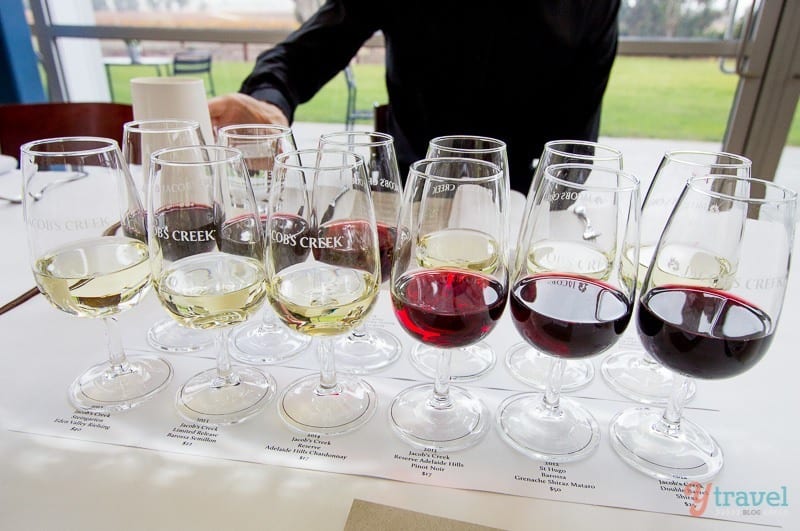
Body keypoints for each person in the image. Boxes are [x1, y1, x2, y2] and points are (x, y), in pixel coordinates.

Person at [208, 1, 621, 196]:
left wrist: (528, 217)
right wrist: (268, 103)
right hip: (407, 191)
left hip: (517, 203)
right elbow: (302, 54)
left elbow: (573, 154)